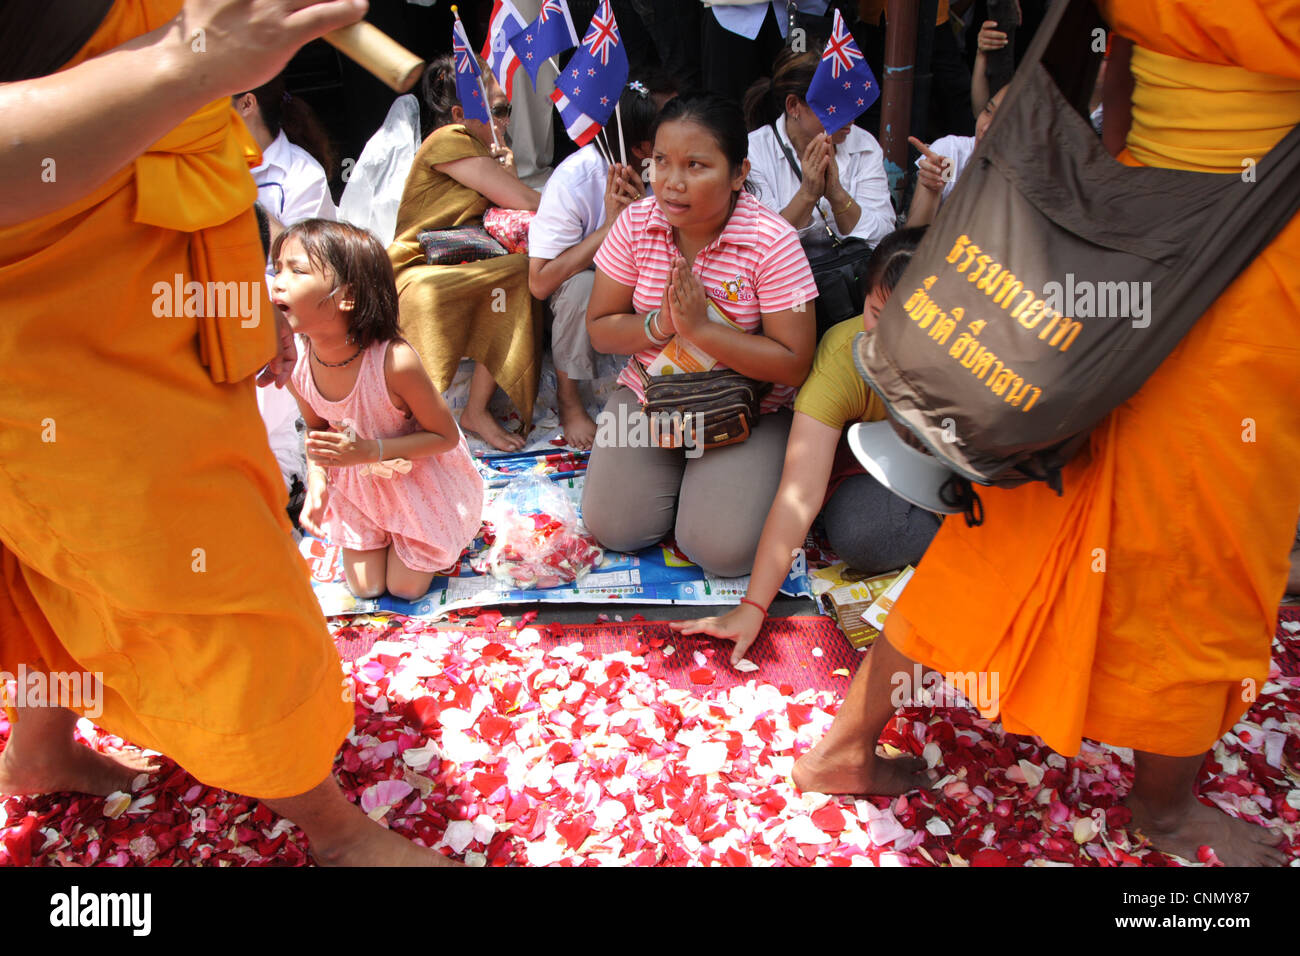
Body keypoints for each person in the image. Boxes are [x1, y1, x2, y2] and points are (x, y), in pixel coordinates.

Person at [793, 0, 1300, 868]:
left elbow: (1115, 86)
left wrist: (1111, 226)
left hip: (1129, 242)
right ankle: (1166, 809)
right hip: (1245, 273)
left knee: (1026, 516)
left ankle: (845, 744)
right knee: (1207, 546)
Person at [0, 0, 453, 866]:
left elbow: (198, 137)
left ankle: (38, 748)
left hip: (163, 291)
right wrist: (190, 56)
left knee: (51, 564)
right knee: (205, 579)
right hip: (60, 349)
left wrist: (243, 285)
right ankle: (332, 827)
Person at [672, 227, 939, 663]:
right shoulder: (843, 358)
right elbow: (801, 491)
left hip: (957, 465)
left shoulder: (978, 358)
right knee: (864, 536)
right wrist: (754, 607)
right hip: (875, 465)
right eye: (877, 314)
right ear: (865, 300)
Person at [582, 93, 818, 576]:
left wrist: (702, 330)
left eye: (696, 165)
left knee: (720, 550)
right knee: (616, 527)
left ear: (737, 174)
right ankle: (680, 478)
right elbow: (601, 329)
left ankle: (708, 484)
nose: (672, 183)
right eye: (662, 163)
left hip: (749, 405)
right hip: (651, 394)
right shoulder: (635, 225)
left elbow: (795, 361)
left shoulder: (773, 242)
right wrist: (661, 325)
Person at [277, 219, 485, 601]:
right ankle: (388, 532)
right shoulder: (297, 365)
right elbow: (317, 432)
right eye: (278, 269)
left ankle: (437, 526)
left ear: (347, 297)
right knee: (367, 587)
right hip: (360, 486)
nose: (277, 282)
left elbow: (445, 436)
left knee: (404, 588)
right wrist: (319, 487)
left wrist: (371, 451)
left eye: (297, 271)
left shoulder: (394, 362)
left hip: (418, 478)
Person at [389, 55, 542, 453]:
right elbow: (525, 201)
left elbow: (511, 206)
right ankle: (436, 415)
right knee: (520, 270)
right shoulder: (450, 139)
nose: (506, 120)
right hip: (419, 263)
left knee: (521, 273)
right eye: (498, 111)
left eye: (508, 110)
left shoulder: (482, 149)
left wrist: (505, 162)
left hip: (466, 258)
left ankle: (475, 411)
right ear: (459, 113)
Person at [528, 82, 661, 450]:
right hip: (582, 291)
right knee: (582, 288)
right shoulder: (576, 178)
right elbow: (540, 282)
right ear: (640, 148)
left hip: (642, 283)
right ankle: (569, 402)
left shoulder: (665, 172)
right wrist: (610, 228)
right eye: (662, 142)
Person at [744, 49, 896, 252]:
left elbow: (883, 237)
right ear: (793, 106)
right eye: (834, 107)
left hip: (850, 277)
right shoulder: (754, 151)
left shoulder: (863, 144)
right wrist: (808, 193)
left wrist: (837, 194)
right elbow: (762, 245)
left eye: (850, 103)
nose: (850, 118)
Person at [234, 72, 337, 226]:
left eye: (213, 103)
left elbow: (301, 249)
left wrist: (236, 193)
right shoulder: (206, 161)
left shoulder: (304, 176)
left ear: (247, 104)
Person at [905, 84, 1006, 227]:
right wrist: (933, 192)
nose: (985, 128)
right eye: (988, 111)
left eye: (1002, 122)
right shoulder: (952, 156)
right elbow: (912, 237)